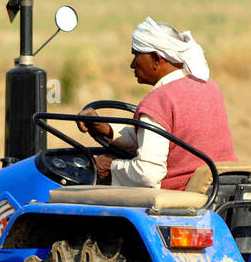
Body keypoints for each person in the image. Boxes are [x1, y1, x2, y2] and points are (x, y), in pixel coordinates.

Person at [78, 17, 237, 189]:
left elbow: (148, 174)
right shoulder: (208, 86)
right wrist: (107, 130)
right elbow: (165, 140)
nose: (132, 65)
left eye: (136, 55)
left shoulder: (159, 100)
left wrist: (111, 168)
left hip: (180, 198)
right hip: (221, 188)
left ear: (155, 58)